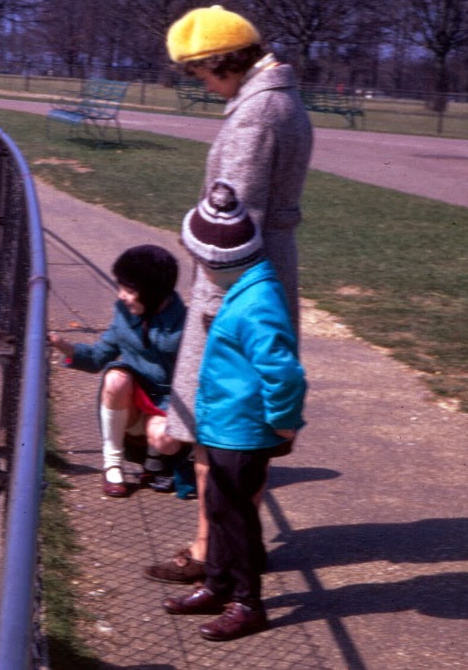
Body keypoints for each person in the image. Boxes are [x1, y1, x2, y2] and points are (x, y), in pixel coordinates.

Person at [146, 5, 314, 583]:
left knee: (217, 423)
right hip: (263, 270)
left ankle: (210, 552)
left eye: (200, 73)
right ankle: (228, 547)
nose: (202, 84)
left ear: (223, 62)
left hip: (237, 279)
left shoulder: (257, 114)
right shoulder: (278, 99)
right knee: (239, 425)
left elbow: (234, 219)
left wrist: (216, 305)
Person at [161, 181, 307, 641]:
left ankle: (247, 603)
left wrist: (283, 422)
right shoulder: (245, 293)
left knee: (237, 519)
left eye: (201, 261)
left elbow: (284, 373)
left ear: (216, 262)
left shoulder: (257, 305)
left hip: (244, 432)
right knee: (219, 509)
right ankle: (218, 584)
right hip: (226, 426)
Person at [49, 244, 188, 497]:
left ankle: (157, 459)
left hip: (168, 404)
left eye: (129, 290)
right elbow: (97, 357)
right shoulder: (124, 314)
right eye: (121, 287)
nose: (121, 295)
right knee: (115, 378)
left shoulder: (186, 324)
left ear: (152, 294)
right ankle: (112, 463)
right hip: (133, 402)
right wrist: (63, 346)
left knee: (165, 441)